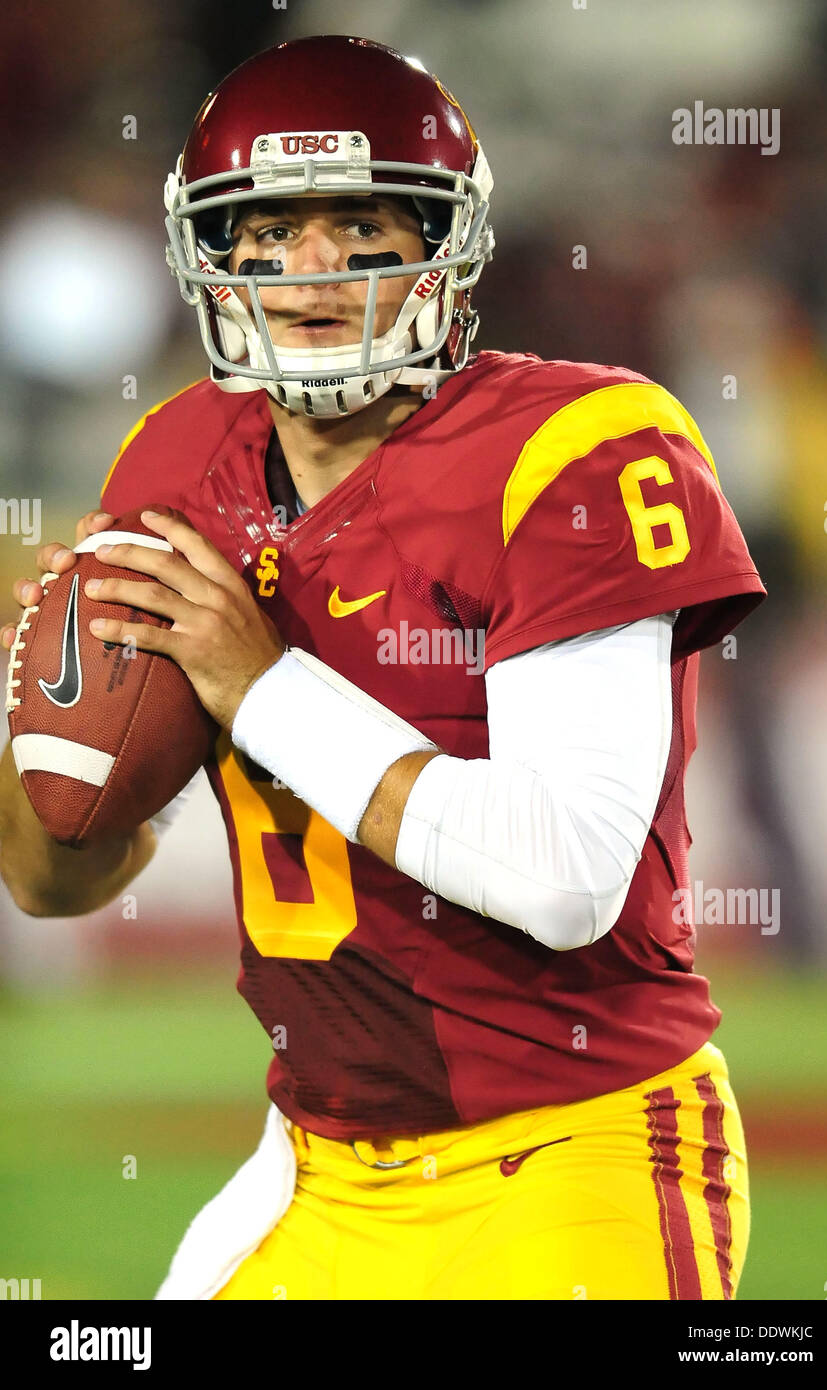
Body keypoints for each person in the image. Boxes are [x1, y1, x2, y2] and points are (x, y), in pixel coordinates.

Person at [0, 35, 766, 1300]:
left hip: (570, 1152)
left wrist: (264, 687)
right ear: (215, 254)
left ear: (436, 249)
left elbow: (567, 877)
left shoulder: (575, 449)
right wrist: (46, 735)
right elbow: (58, 879)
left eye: (359, 226)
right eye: (267, 228)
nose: (310, 270)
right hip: (316, 1160)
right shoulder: (174, 460)